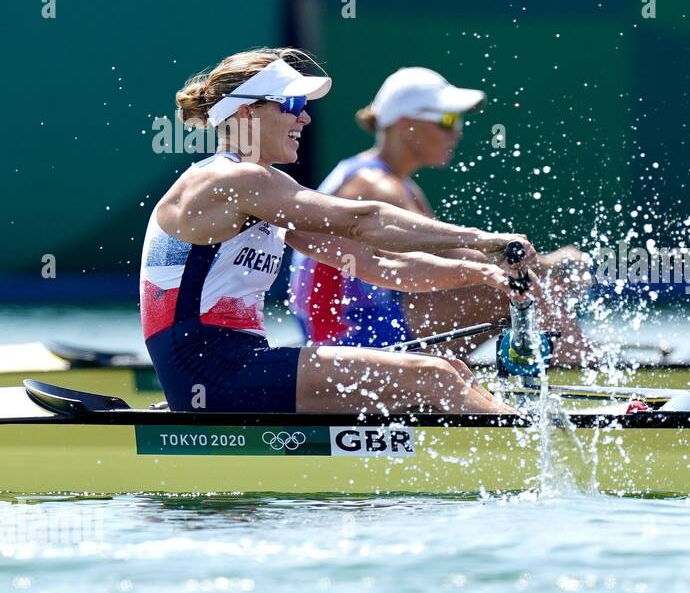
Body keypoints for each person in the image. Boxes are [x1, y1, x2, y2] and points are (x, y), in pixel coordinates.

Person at [142, 48, 540, 415]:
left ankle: (497, 448)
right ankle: (535, 462)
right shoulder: (234, 179)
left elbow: (379, 265)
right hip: (211, 371)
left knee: (451, 369)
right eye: (293, 105)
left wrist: (484, 273)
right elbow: (363, 221)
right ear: (247, 113)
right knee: (434, 377)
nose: (305, 118)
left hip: (235, 364)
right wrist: (485, 241)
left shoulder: (263, 191)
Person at [288, 67, 592, 363]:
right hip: (344, 335)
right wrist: (549, 266)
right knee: (513, 291)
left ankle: (567, 367)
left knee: (516, 287)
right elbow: (452, 255)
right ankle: (589, 370)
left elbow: (447, 260)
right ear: (406, 124)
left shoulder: (395, 183)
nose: (457, 133)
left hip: (363, 324)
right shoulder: (375, 185)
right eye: (447, 121)